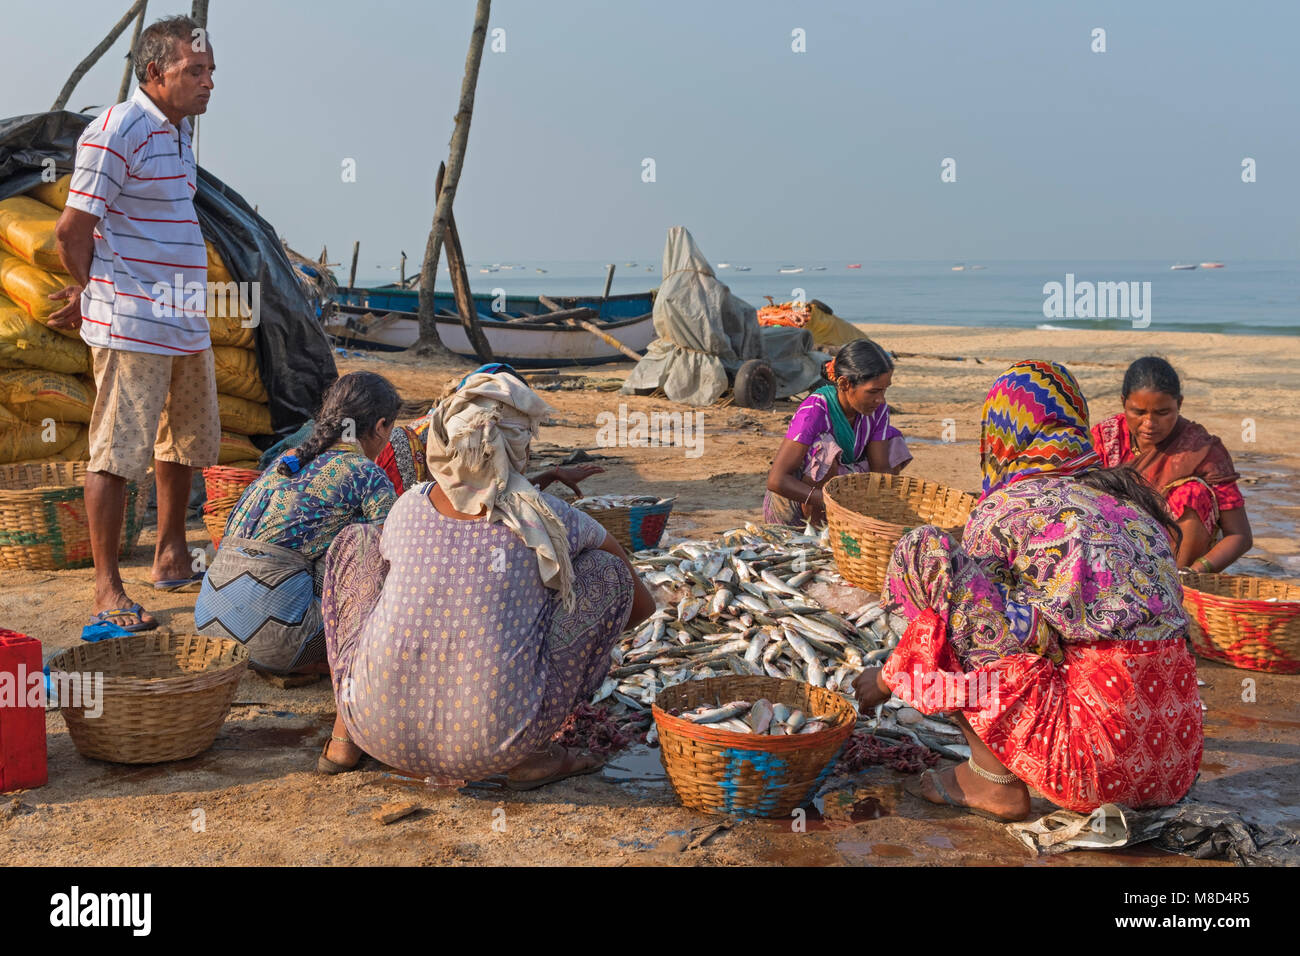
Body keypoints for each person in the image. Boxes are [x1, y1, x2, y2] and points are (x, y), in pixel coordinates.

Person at [853, 360, 1203, 821]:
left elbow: (974, 626)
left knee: (926, 554)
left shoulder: (1005, 509)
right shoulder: (1132, 505)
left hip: (1090, 768)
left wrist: (886, 678)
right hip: (1174, 764)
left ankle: (992, 780)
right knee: (1031, 622)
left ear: (1002, 431)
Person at [317, 368, 655, 785]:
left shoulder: (407, 507)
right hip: (496, 744)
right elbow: (640, 602)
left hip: (375, 727)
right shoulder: (550, 518)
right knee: (604, 571)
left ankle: (342, 738)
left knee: (359, 542)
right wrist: (555, 632)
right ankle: (531, 756)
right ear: (518, 447)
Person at [50, 15, 219, 630]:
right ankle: (106, 588)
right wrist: (95, 290)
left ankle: (171, 553)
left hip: (182, 320)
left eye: (210, 72)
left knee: (183, 440)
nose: (207, 84)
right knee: (117, 453)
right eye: (193, 71)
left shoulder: (176, 134)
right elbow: (71, 229)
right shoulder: (118, 128)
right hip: (132, 325)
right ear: (155, 73)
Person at [193, 372, 399, 674]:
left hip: (213, 631)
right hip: (281, 644)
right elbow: (396, 553)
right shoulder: (366, 473)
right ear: (381, 426)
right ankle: (343, 657)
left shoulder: (285, 462)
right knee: (368, 540)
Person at [1092, 356, 1252, 572]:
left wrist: (1196, 571)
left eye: (1162, 413)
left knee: (1192, 494)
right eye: (1138, 412)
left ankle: (1173, 584)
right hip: (1114, 552)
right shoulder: (1104, 439)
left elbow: (1239, 535)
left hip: (1178, 563)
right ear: (1123, 403)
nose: (1149, 424)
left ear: (1179, 404)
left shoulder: (1202, 450)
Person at [764, 339, 911, 526]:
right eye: (873, 391)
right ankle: (818, 532)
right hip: (798, 508)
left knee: (894, 441)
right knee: (824, 451)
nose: (880, 399)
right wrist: (831, 502)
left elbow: (880, 469)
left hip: (845, 493)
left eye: (884, 390)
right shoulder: (815, 410)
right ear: (844, 384)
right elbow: (776, 480)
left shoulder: (878, 410)